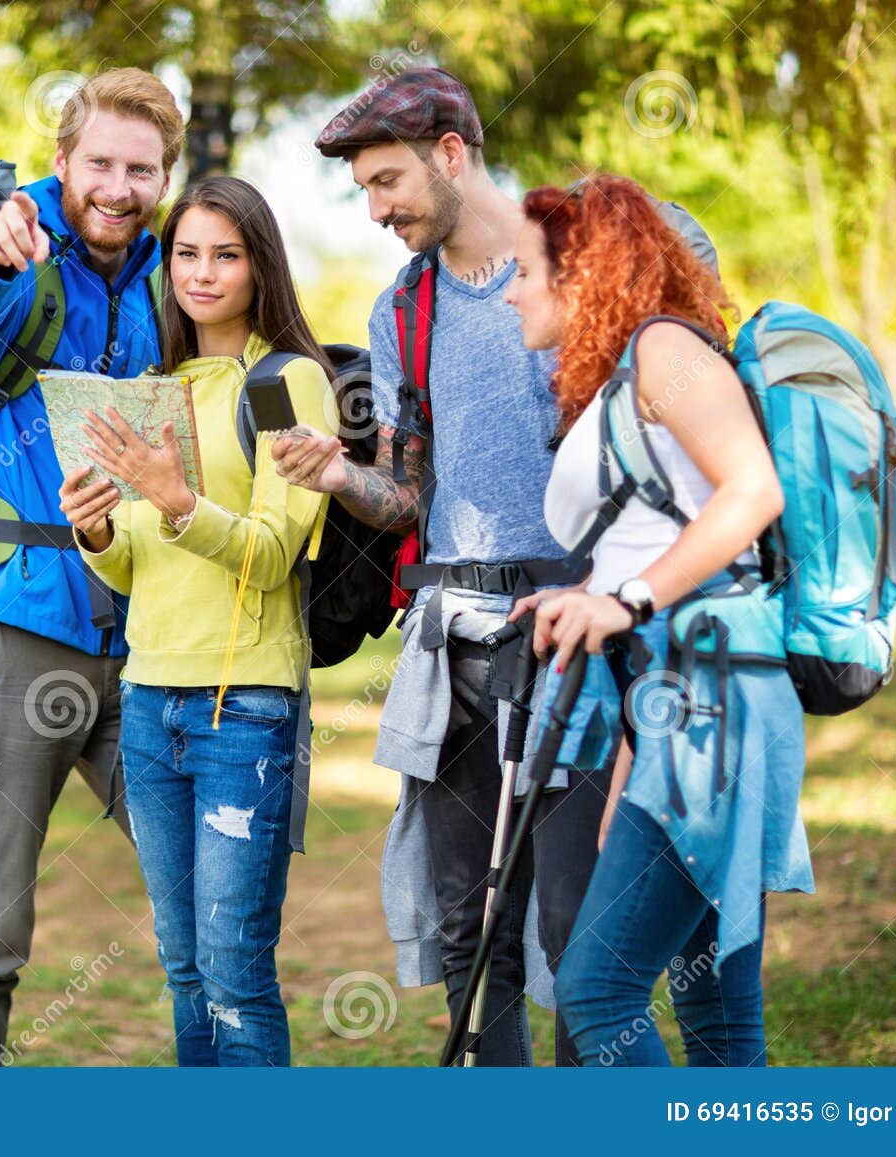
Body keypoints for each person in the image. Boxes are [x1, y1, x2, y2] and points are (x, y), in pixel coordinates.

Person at [274, 67, 605, 1066]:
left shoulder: (586, 264)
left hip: (579, 639)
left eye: (386, 183)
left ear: (451, 155)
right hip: (457, 644)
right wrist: (337, 474)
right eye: (363, 190)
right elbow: (407, 493)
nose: (374, 210)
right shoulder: (403, 312)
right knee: (472, 927)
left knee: (576, 933)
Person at [505, 174, 813, 1066]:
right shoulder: (622, 381)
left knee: (599, 992)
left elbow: (753, 490)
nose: (514, 289)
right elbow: (656, 574)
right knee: (717, 1017)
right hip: (680, 705)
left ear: (583, 270)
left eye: (527, 269)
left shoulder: (667, 350)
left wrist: (620, 597)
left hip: (713, 707)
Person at [0, 67, 184, 1067]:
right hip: (10, 631)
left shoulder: (168, 269)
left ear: (163, 173)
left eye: (142, 167)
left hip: (139, 635)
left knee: (208, 885)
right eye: (101, 163)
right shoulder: (15, 247)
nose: (119, 186)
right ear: (63, 160)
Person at [59, 176, 338, 1066]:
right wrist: (96, 525)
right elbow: (137, 566)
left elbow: (268, 557)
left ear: (260, 266)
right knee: (183, 969)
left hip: (240, 708)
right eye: (186, 253)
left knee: (232, 969)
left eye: (227, 254)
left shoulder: (280, 383)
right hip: (149, 705)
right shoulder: (154, 387)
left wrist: (176, 495)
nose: (203, 273)